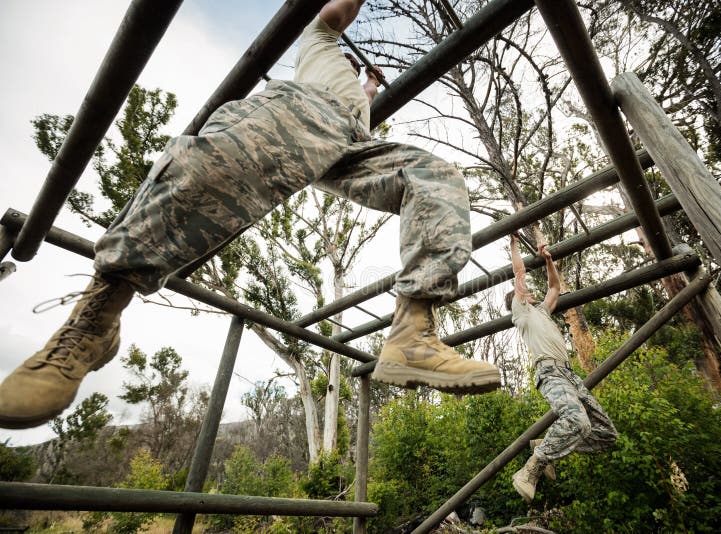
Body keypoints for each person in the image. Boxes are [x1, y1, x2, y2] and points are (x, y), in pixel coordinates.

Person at [0, 0, 500, 429]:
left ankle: (413, 331)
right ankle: (98, 317)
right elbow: (337, 12)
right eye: (349, 63)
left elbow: (364, 101)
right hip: (304, 110)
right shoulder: (318, 42)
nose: (352, 68)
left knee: (436, 178)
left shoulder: (357, 89)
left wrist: (369, 86)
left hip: (351, 141)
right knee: (213, 162)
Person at [507, 232, 617, 502]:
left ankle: (545, 445)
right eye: (526, 293)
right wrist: (514, 243)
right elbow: (519, 274)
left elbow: (554, 288)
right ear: (518, 299)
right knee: (577, 421)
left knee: (606, 435)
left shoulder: (542, 312)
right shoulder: (520, 311)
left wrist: (549, 260)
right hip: (550, 372)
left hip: (569, 374)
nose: (531, 293)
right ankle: (531, 469)